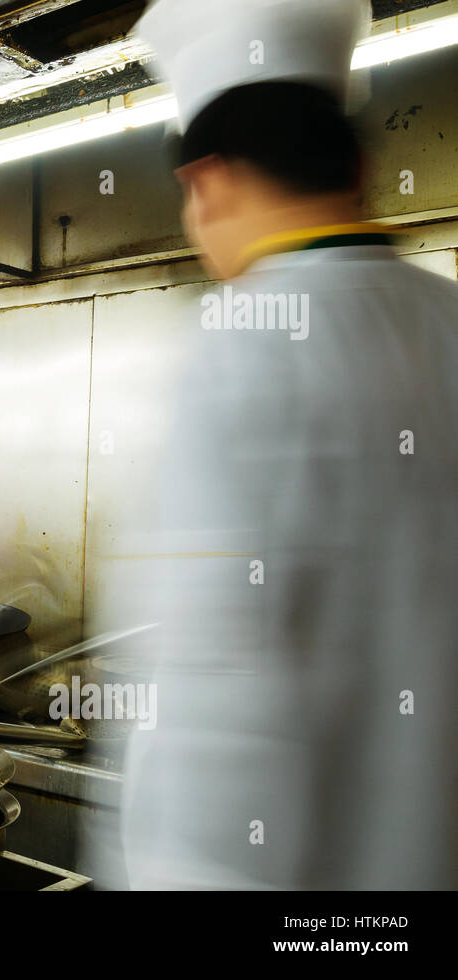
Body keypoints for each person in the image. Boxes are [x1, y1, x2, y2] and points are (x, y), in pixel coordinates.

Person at [107, 0, 458, 888]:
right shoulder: (448, 323)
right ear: (360, 165)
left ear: (209, 180)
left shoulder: (242, 341)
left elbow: (208, 706)